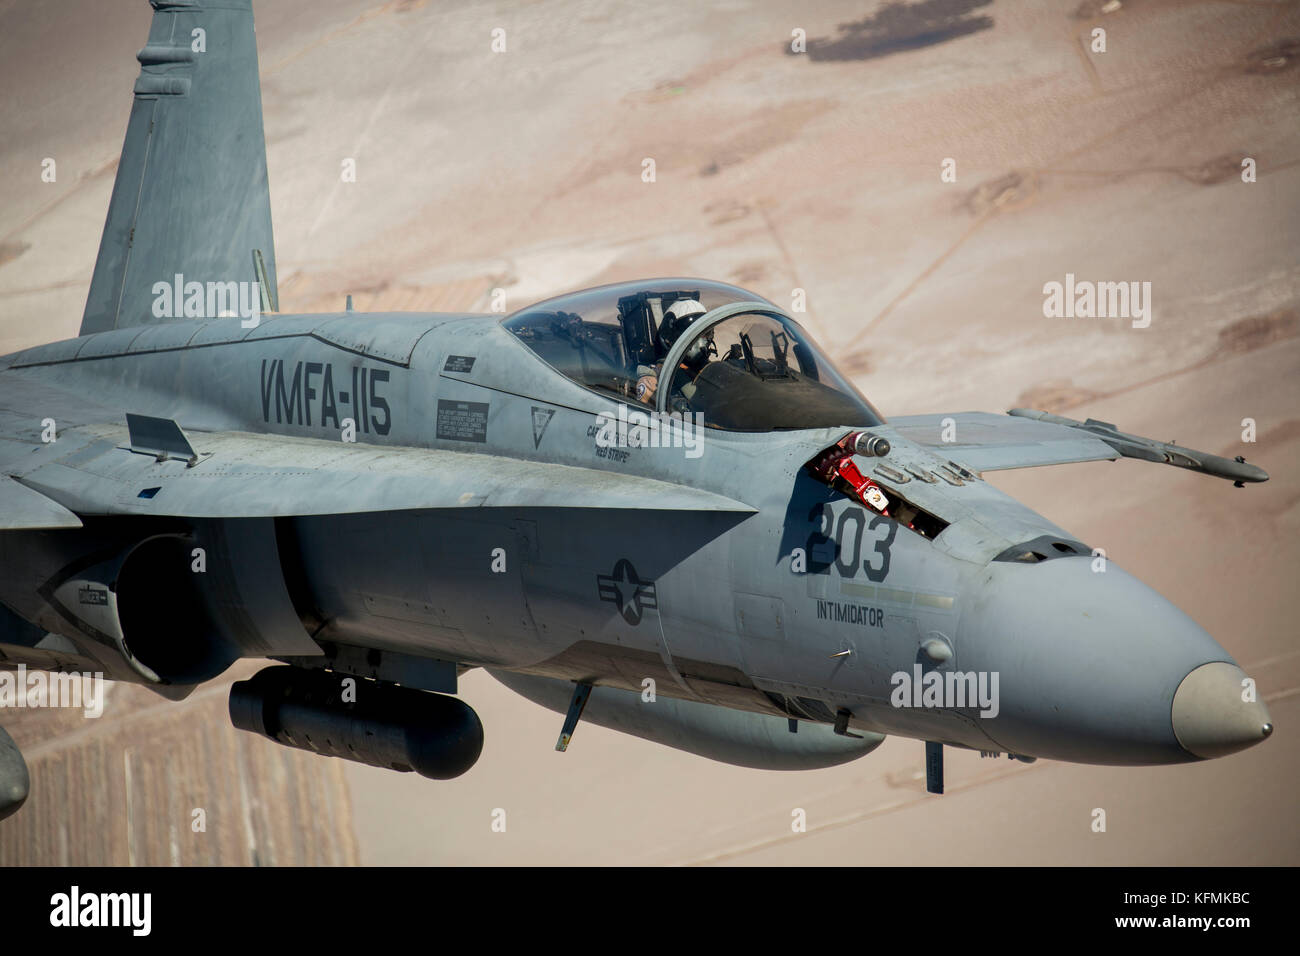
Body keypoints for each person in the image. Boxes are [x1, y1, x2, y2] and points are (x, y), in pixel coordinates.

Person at [635, 298, 708, 404]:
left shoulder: (705, 368)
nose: (701, 341)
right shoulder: (654, 381)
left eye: (705, 333)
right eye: (693, 336)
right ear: (672, 338)